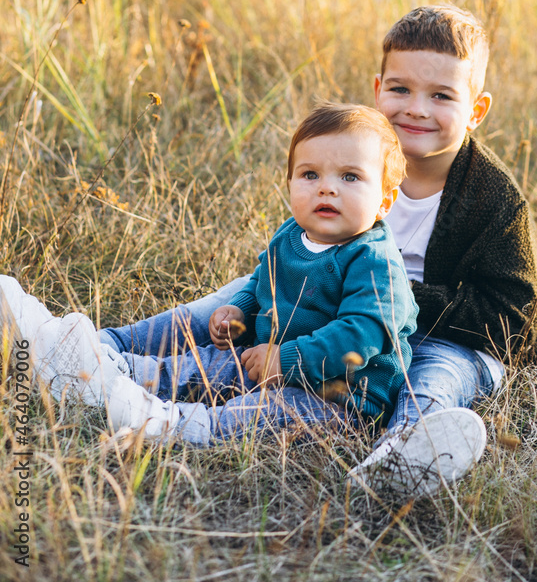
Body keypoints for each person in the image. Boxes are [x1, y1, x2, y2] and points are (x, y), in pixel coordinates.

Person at [95, 3, 537, 495]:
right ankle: (107, 349)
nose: (417, 108)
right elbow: (293, 256)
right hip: (342, 305)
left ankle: (404, 453)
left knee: (435, 379)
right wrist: (256, 304)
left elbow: (515, 317)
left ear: (476, 111)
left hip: (452, 336)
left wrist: (391, 298)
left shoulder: (494, 197)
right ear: (379, 91)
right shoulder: (353, 162)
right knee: (234, 297)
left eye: (441, 95)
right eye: (401, 89)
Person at [1, 103, 420, 446]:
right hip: (265, 360)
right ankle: (98, 369)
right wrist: (236, 309)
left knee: (263, 416)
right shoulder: (292, 235)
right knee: (203, 366)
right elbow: (262, 283)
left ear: (385, 200)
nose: (327, 188)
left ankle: (174, 425)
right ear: (289, 182)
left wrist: (285, 360)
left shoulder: (374, 261)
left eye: (350, 177)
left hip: (341, 397)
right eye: (310, 175)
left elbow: (360, 335)